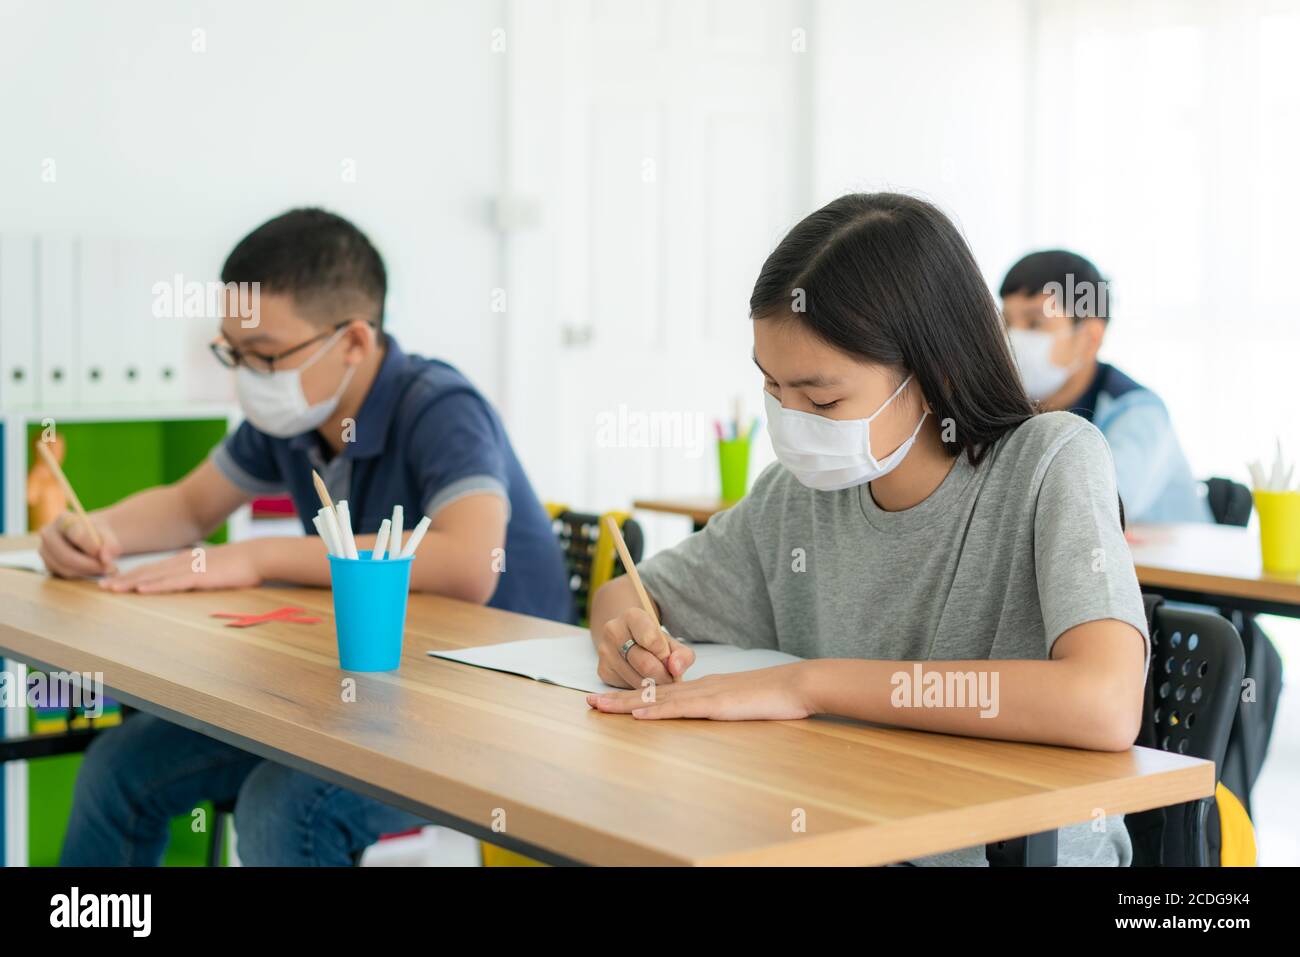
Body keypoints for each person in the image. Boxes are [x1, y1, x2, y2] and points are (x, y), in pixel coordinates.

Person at [586, 194, 1150, 866]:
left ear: (935, 369)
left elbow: (1106, 702)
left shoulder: (1053, 460)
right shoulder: (797, 498)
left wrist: (810, 684)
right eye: (772, 387)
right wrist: (629, 637)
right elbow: (629, 595)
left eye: (821, 398)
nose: (791, 418)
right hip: (842, 837)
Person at [46, 208, 572, 865]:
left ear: (353, 341)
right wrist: (86, 529)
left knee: (284, 807)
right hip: (359, 690)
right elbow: (187, 506)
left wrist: (255, 556)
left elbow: (470, 562)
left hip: (489, 708)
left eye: (264, 354)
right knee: (121, 766)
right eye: (234, 353)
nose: (248, 375)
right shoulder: (296, 416)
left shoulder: (439, 407)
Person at [1000, 250, 1211, 523]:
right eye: (1005, 322)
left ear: (1090, 338)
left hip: (1161, 565)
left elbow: (1102, 506)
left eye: (1035, 323)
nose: (1011, 339)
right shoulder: (1019, 408)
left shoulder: (1137, 412)